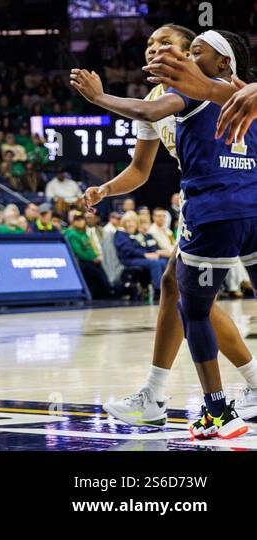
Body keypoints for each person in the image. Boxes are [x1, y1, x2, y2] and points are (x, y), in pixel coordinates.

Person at [73, 28, 257, 439]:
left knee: (190, 296)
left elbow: (147, 111)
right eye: (149, 46)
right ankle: (159, 396)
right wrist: (105, 189)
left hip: (214, 201)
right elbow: (140, 171)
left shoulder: (195, 91)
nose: (155, 50)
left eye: (167, 45)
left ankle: (198, 400)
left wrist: (101, 98)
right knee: (181, 290)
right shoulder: (161, 98)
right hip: (219, 202)